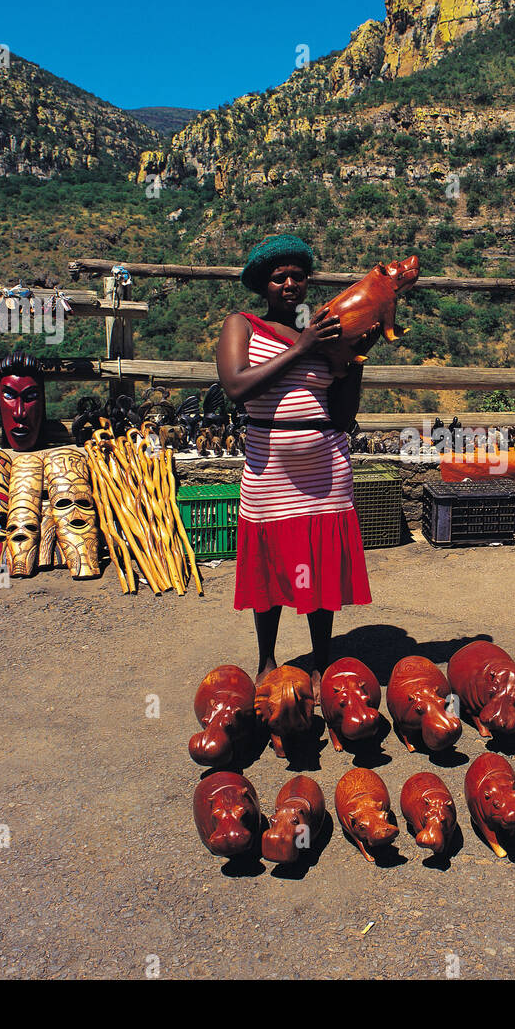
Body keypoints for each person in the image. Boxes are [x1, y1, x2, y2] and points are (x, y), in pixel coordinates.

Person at [215, 234, 375, 691]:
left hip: (325, 464)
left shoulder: (326, 333)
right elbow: (237, 387)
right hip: (269, 466)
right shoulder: (241, 325)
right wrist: (302, 349)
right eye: (278, 277)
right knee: (271, 561)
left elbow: (343, 415)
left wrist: (354, 357)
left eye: (297, 276)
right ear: (262, 286)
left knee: (319, 565)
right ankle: (267, 659)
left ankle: (322, 661)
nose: (289, 284)